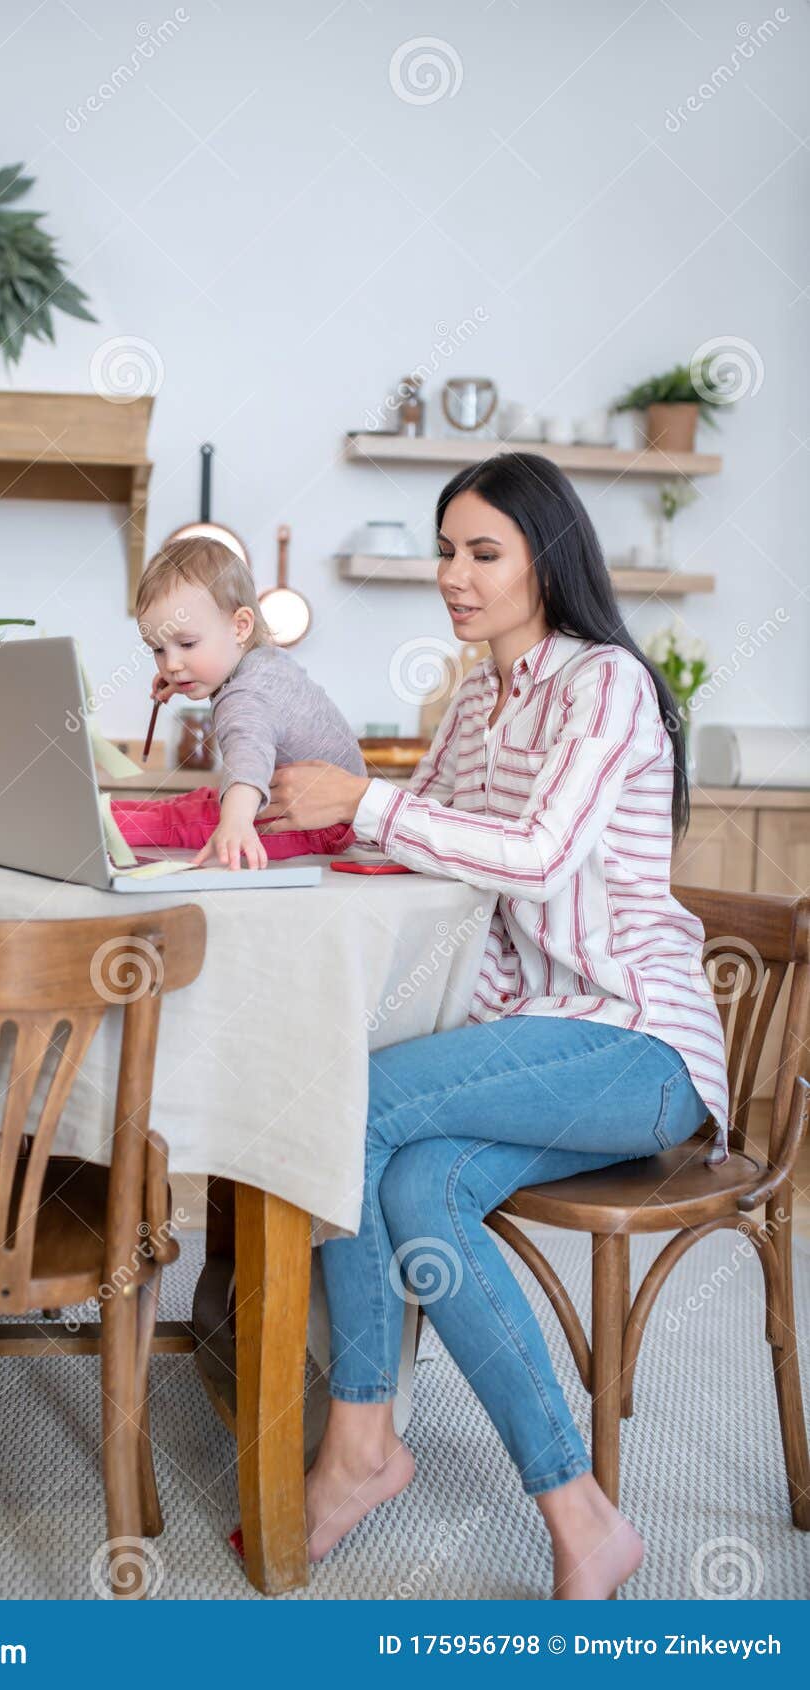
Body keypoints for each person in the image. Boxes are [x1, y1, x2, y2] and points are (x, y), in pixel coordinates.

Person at [258, 452, 729, 1599]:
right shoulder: (474, 695)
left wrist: (365, 799)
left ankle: (359, 1440)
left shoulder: (604, 683)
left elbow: (533, 854)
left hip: (639, 1048)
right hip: (544, 1037)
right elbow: (441, 852)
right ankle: (582, 1517)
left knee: (350, 1101)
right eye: (445, 552)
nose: (452, 577)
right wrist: (308, 829)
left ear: (543, 559)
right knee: (417, 1188)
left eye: (482, 553)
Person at [111, 537, 364, 868]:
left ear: (240, 626)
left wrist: (236, 823)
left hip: (313, 825)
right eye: (158, 649)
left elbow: (248, 757)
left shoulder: (248, 694)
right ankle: (96, 812)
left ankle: (93, 826)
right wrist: (182, 680)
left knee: (185, 820)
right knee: (196, 803)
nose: (171, 663)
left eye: (186, 644)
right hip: (324, 817)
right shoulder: (265, 662)